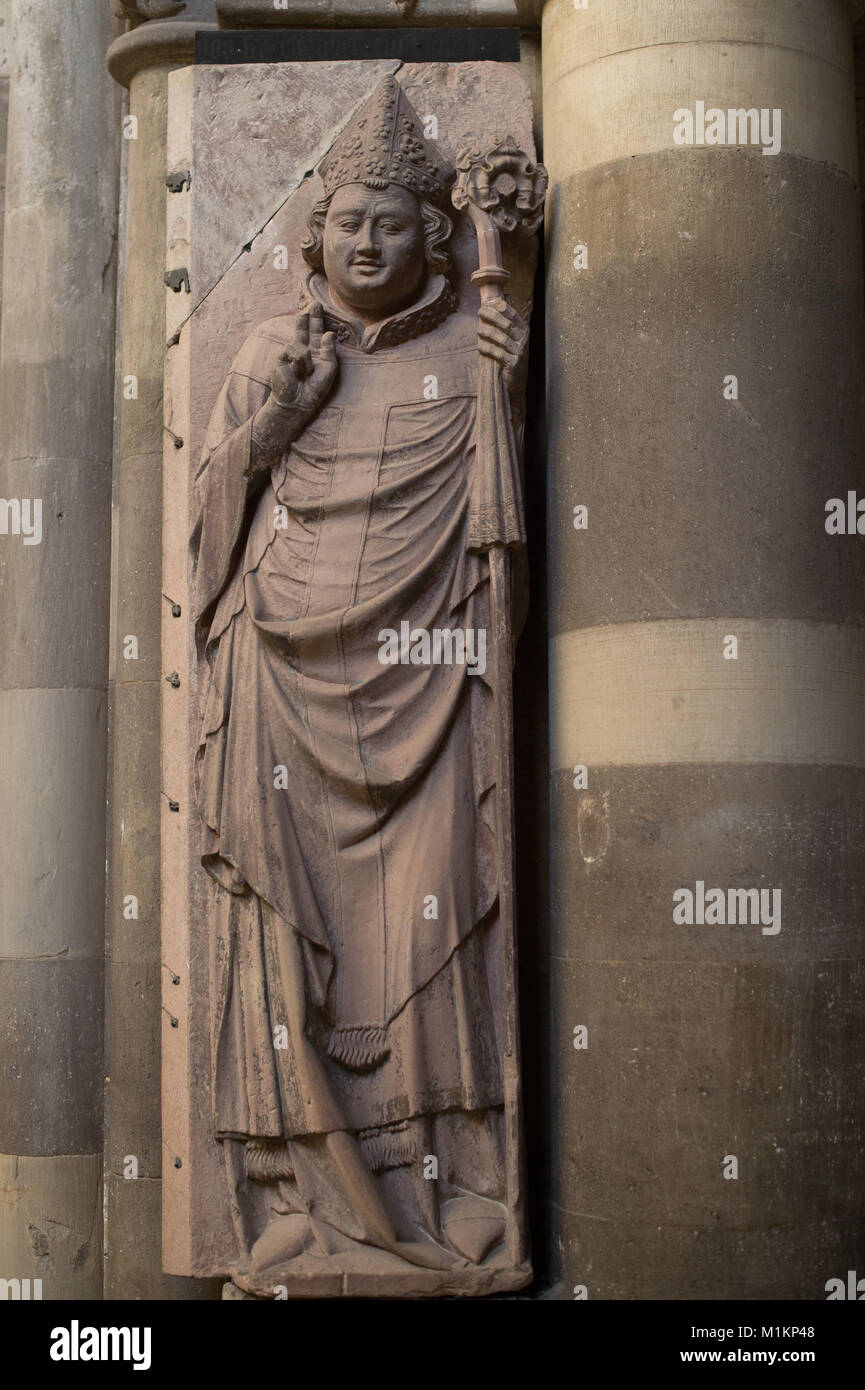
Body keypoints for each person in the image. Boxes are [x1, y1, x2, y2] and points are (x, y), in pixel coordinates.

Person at [192, 76, 529, 1288]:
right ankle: (299, 1203)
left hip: (432, 686)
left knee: (429, 926)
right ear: (314, 234)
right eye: (349, 223)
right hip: (276, 670)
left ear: (432, 235)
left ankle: (447, 1199)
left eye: (392, 221)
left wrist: (506, 376)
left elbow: (498, 564)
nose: (369, 242)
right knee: (283, 935)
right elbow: (204, 545)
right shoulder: (266, 351)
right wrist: (272, 424)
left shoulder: (469, 351)